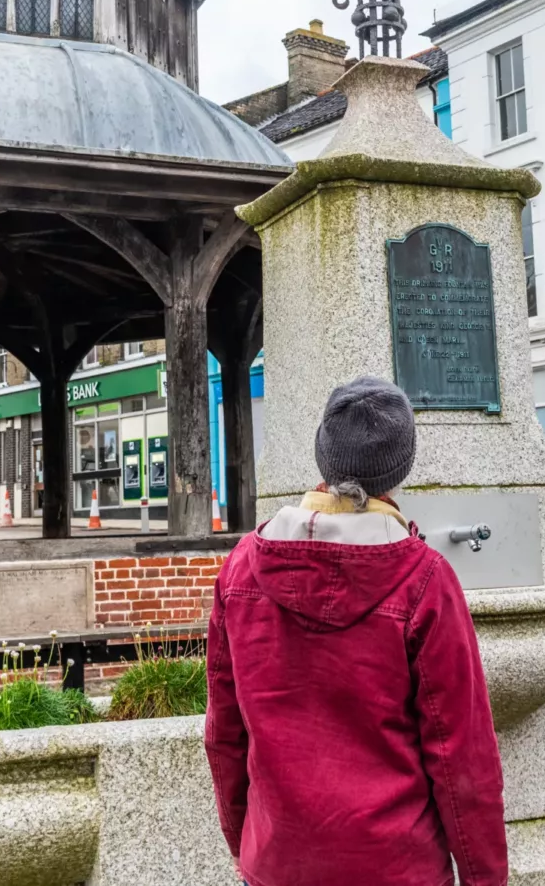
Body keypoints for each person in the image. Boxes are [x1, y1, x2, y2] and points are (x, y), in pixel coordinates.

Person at [204, 376, 507, 886]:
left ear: (324, 456)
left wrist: (248, 843)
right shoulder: (425, 581)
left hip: (278, 863)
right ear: (400, 467)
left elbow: (225, 735)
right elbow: (463, 760)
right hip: (396, 865)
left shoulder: (239, 571)